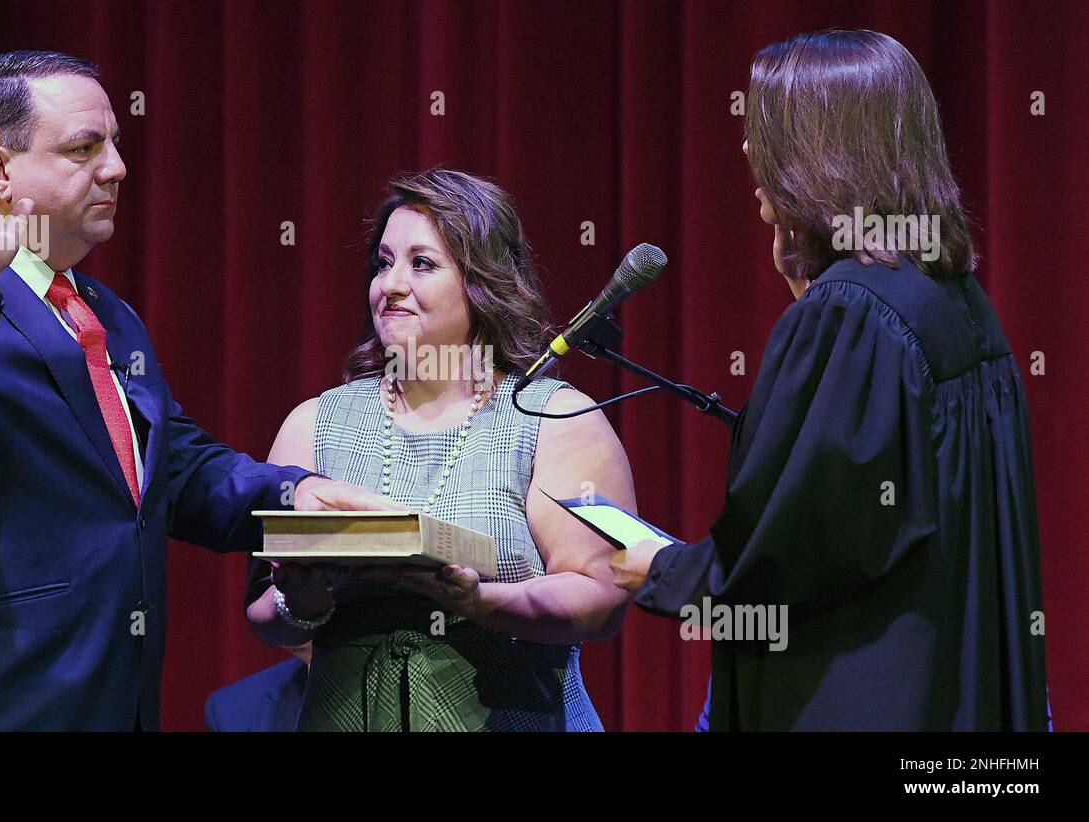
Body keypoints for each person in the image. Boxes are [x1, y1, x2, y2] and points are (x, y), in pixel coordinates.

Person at [0, 50, 388, 731]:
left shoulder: (108, 314)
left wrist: (292, 494)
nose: (118, 168)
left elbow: (171, 470)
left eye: (116, 145)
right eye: (84, 147)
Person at [610, 29, 1048, 731]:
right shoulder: (950, 297)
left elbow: (798, 550)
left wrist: (663, 570)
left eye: (765, 130)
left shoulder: (851, 313)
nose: (750, 150)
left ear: (820, 153)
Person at [246, 169, 635, 731]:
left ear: (483, 283)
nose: (391, 285)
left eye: (421, 264)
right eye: (383, 263)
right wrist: (300, 602)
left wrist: (482, 603)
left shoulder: (551, 418)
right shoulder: (315, 422)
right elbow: (263, 613)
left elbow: (601, 598)